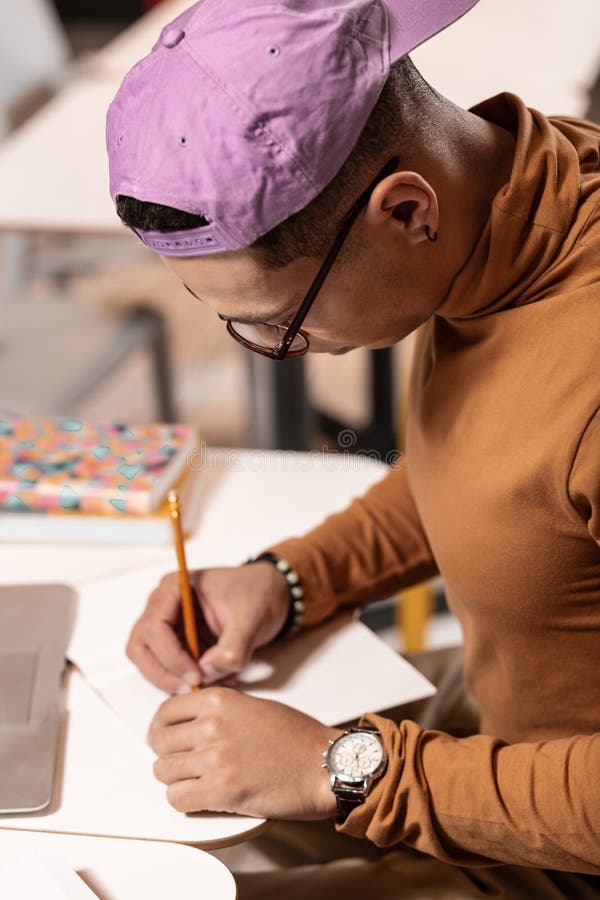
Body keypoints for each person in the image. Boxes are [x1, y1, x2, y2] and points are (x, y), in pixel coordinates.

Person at [106, 0, 600, 896]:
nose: (273, 351)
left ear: (408, 210)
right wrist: (290, 579)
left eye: (277, 322)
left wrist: (348, 770)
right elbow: (494, 474)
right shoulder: (518, 211)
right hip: (490, 730)